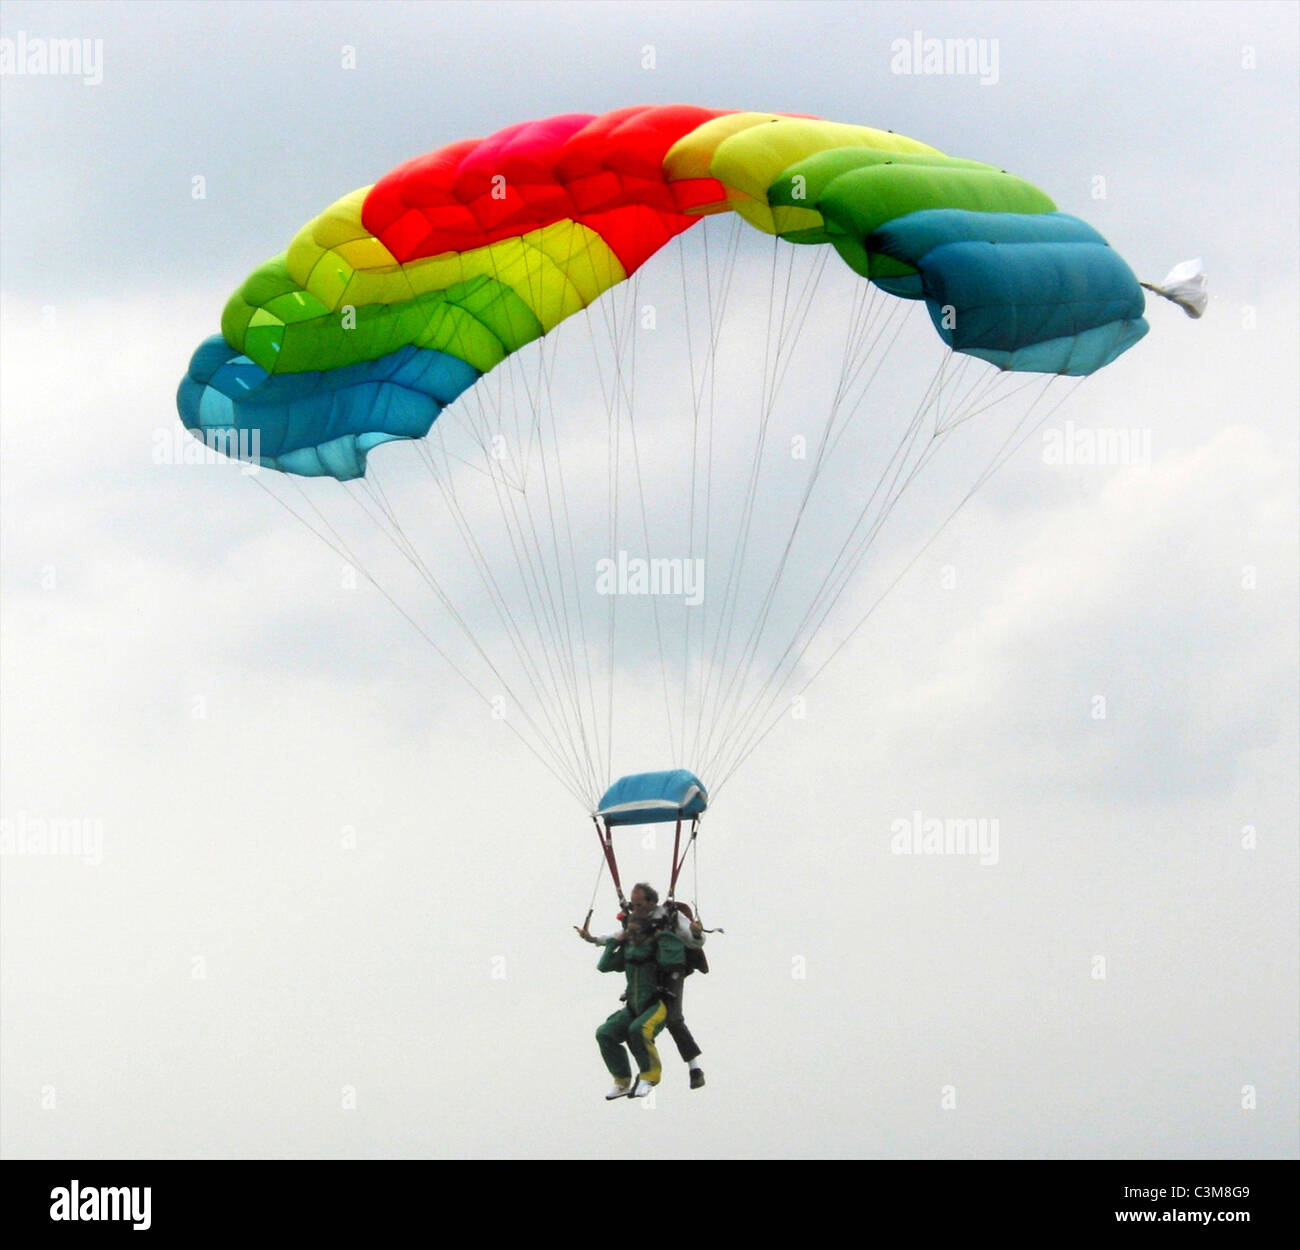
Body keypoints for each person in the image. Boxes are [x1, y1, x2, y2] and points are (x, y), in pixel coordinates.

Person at [576, 881, 708, 1089]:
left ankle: (694, 1068)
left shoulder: (670, 916)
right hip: (646, 974)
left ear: (651, 903)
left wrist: (697, 932)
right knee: (632, 1021)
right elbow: (618, 936)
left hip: (672, 971)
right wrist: (593, 939)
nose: (633, 908)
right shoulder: (634, 919)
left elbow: (695, 942)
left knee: (673, 1018)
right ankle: (631, 1076)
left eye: (638, 904)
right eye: (632, 903)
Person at [592, 915, 685, 1100]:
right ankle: (622, 1080)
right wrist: (613, 944)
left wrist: (663, 935)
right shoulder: (628, 949)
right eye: (629, 932)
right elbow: (603, 966)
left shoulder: (655, 948)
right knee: (604, 1033)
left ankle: (649, 1077)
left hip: (656, 1006)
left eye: (636, 932)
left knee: (638, 1030)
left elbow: (674, 960)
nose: (632, 936)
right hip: (633, 1007)